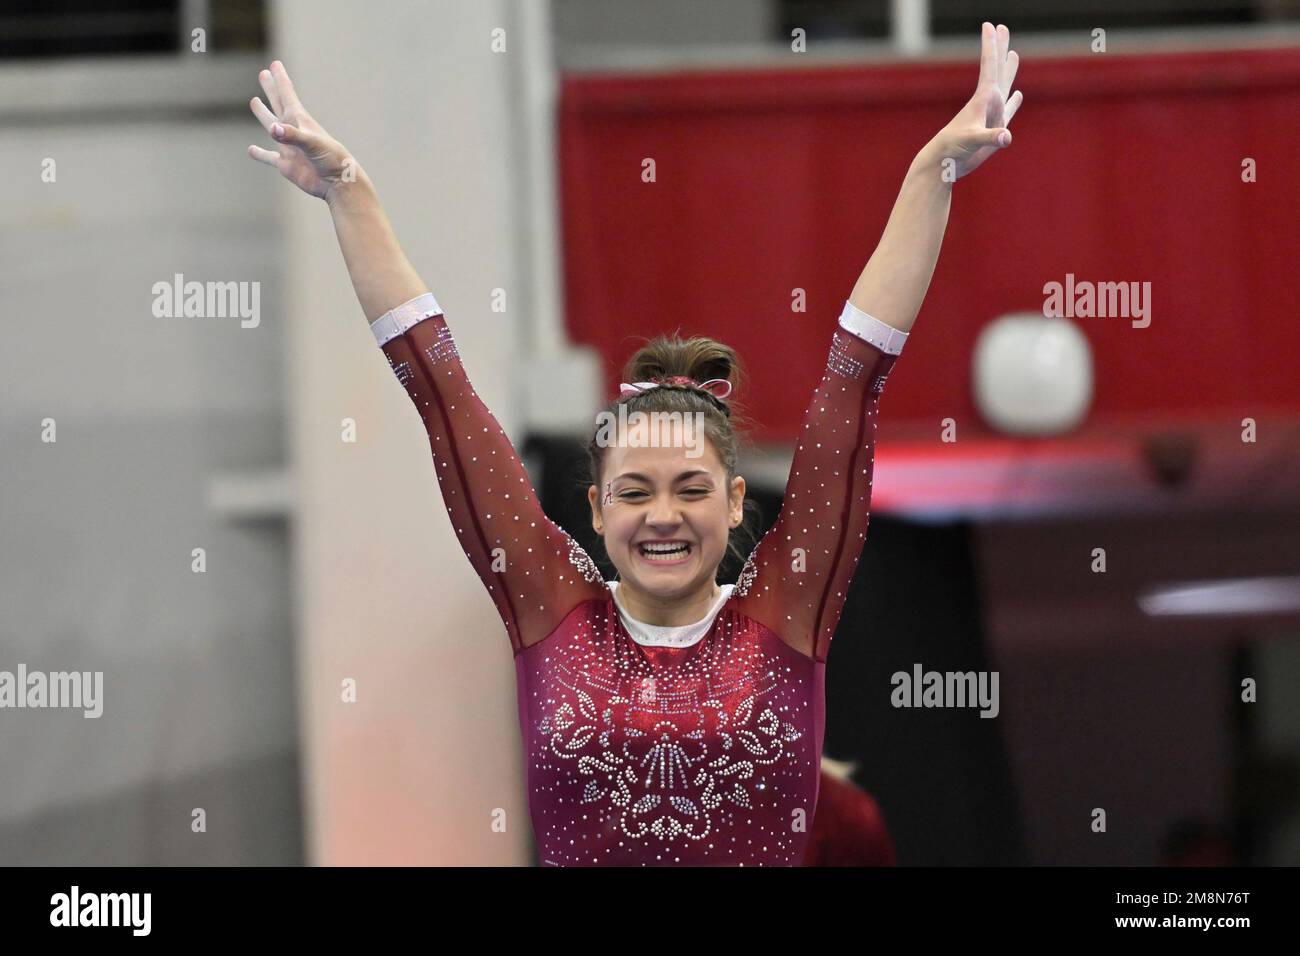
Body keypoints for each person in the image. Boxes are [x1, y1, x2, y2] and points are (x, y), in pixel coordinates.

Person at [247, 22, 1022, 866]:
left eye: (691, 489)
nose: (664, 515)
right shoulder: (552, 607)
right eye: (636, 490)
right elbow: (443, 396)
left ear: (734, 504)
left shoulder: (784, 612)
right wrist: (350, 193)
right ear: (595, 506)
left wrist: (927, 177)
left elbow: (854, 382)